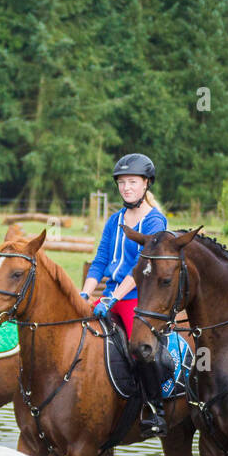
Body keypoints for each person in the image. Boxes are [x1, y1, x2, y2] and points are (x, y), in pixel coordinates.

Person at [81, 153, 169, 437]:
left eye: (132, 182)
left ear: (146, 184)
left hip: (137, 298)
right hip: (108, 295)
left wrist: (114, 298)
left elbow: (140, 267)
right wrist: (84, 294)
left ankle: (155, 409)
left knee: (142, 350)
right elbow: (99, 261)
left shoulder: (156, 221)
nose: (126, 188)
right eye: (122, 183)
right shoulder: (114, 220)